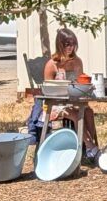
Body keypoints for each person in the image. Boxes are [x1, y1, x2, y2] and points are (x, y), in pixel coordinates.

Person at [40, 27, 98, 155]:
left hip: (74, 100)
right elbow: (47, 89)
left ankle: (88, 148)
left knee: (88, 112)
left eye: (73, 44)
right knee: (76, 115)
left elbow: (80, 81)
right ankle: (91, 146)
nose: (70, 47)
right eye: (67, 44)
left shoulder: (77, 61)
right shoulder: (52, 64)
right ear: (60, 45)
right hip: (55, 103)